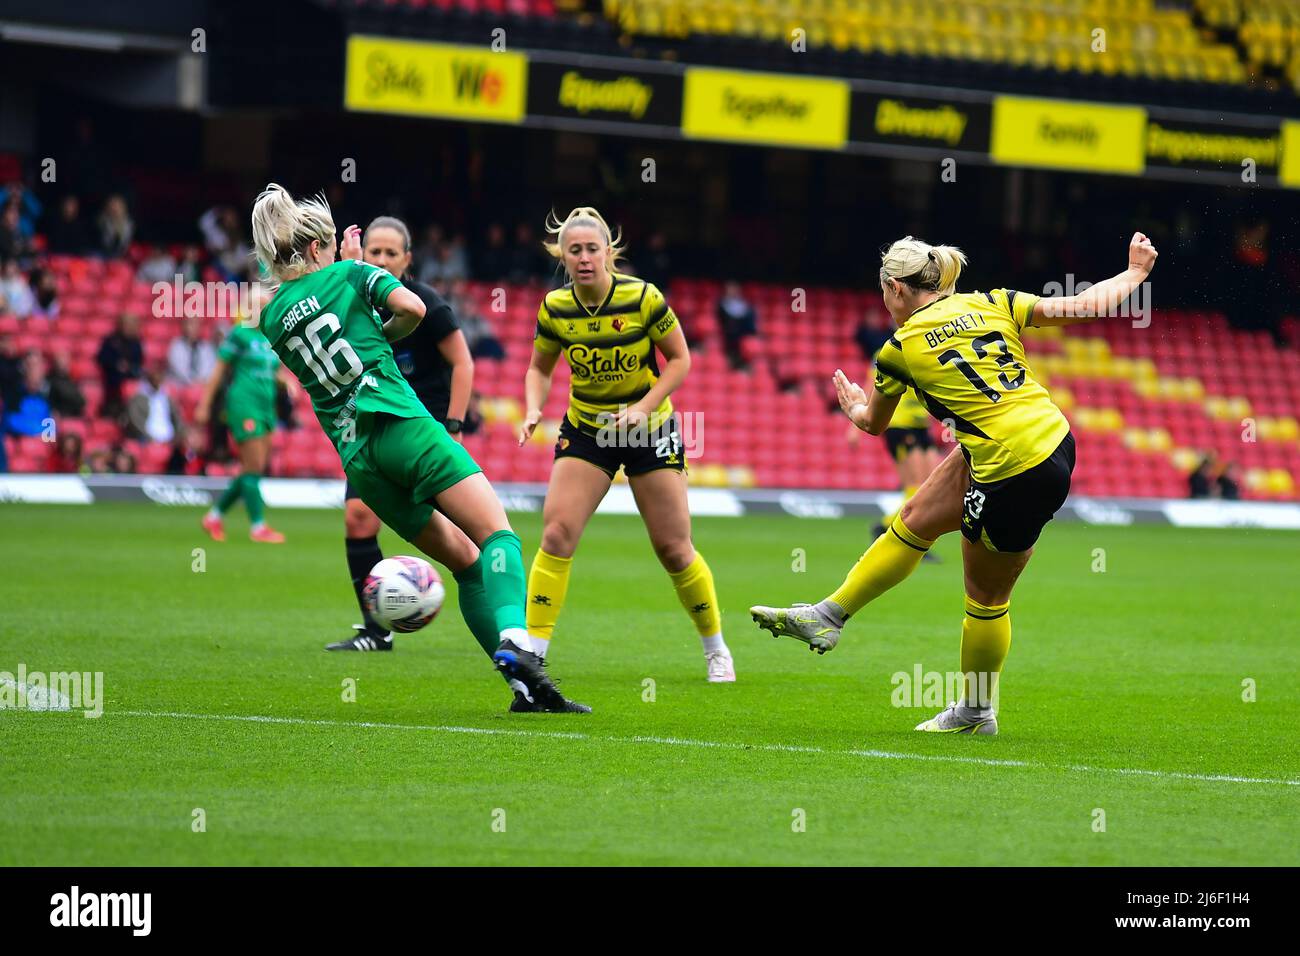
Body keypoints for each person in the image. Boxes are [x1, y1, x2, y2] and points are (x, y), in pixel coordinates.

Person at [751, 232, 1158, 734]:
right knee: (915, 519)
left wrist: (852, 404)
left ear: (897, 288)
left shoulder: (899, 348)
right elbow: (1080, 307)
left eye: (883, 292)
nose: (884, 302)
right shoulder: (993, 302)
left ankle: (975, 712)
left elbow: (872, 422)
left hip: (1014, 469)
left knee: (985, 598)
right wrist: (1135, 274)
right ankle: (827, 616)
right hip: (1049, 437)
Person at [248, 183, 586, 713]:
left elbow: (321, 318)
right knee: (499, 536)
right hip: (404, 426)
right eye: (332, 243)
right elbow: (412, 309)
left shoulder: (269, 317)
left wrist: (348, 284)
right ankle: (520, 644)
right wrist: (364, 281)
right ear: (318, 247)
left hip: (361, 461)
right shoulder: (352, 274)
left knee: (467, 565)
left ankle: (526, 691)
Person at [518, 207, 735, 683]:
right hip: (588, 429)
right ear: (562, 256)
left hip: (647, 428)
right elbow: (539, 367)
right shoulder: (555, 307)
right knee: (556, 535)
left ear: (609, 253)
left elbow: (680, 359)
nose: (584, 258)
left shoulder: (643, 297)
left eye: (592, 249)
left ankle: (716, 648)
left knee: (674, 549)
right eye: (573, 250)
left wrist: (644, 405)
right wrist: (534, 407)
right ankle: (533, 654)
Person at [327, 215, 477, 653]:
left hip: (423, 431)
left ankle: (502, 610)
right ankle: (377, 631)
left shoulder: (426, 304)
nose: (382, 259)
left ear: (407, 259)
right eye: (374, 251)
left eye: (392, 253)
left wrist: (454, 427)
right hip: (371, 430)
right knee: (357, 518)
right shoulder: (352, 304)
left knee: (467, 534)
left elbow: (463, 363)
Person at [195, 307, 294, 543]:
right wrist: (204, 404)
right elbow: (218, 371)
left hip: (266, 407)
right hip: (244, 404)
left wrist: (285, 381)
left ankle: (214, 516)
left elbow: (271, 370)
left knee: (253, 468)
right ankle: (258, 527)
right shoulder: (239, 334)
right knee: (254, 465)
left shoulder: (268, 337)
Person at [95, 313, 143, 420]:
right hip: (113, 383)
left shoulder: (136, 343)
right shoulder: (110, 341)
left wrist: (129, 368)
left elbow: (139, 363)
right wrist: (116, 365)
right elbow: (101, 359)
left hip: (130, 382)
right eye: (126, 324)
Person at [125, 363, 183, 443]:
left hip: (169, 436)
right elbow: (136, 420)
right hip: (147, 437)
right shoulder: (138, 398)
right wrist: (149, 437)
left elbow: (176, 416)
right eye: (154, 379)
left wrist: (178, 434)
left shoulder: (167, 397)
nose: (157, 382)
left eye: (159, 379)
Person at [167, 315, 218, 386]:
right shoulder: (176, 346)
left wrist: (200, 381)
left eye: (197, 325)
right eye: (191, 324)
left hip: (200, 387)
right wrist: (192, 382)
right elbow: (179, 370)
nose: (194, 328)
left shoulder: (206, 347)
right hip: (180, 386)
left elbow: (209, 369)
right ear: (184, 326)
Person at [716, 281, 757, 369]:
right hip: (726, 340)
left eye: (734, 288)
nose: (732, 290)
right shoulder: (720, 305)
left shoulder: (745, 306)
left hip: (740, 339)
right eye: (730, 288)